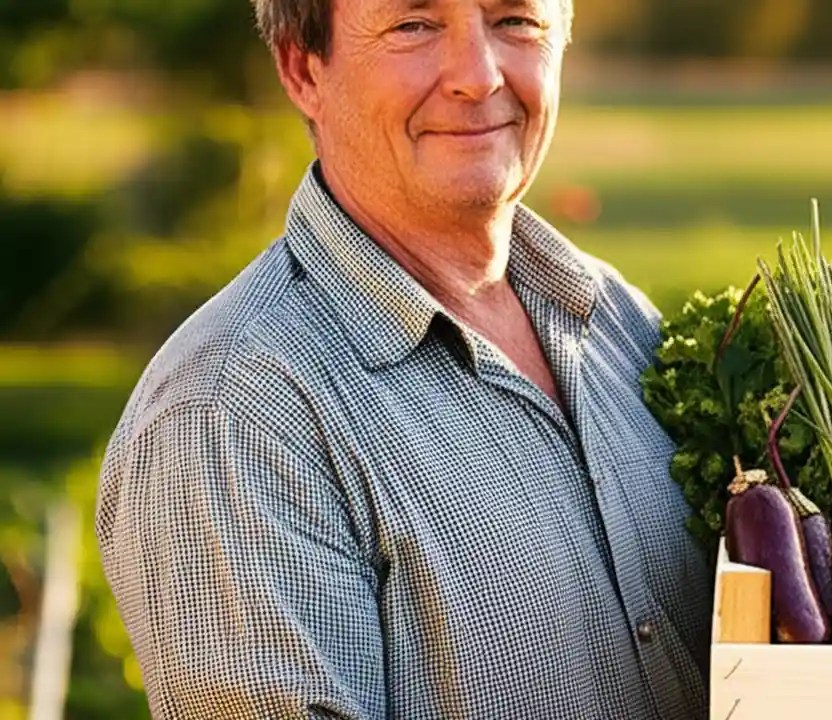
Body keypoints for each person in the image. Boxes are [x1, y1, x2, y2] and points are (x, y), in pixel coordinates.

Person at [93, 1, 713, 717]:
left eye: (515, 20)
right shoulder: (231, 414)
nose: (478, 77)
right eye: (414, 25)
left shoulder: (623, 323)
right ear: (303, 67)